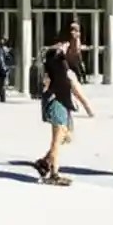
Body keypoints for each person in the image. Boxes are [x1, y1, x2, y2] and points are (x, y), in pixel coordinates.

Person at [30, 29, 95, 186]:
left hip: (61, 102)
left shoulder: (59, 58)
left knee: (66, 136)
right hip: (57, 101)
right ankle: (54, 173)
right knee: (57, 139)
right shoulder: (57, 58)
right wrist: (87, 107)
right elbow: (72, 84)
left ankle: (45, 162)